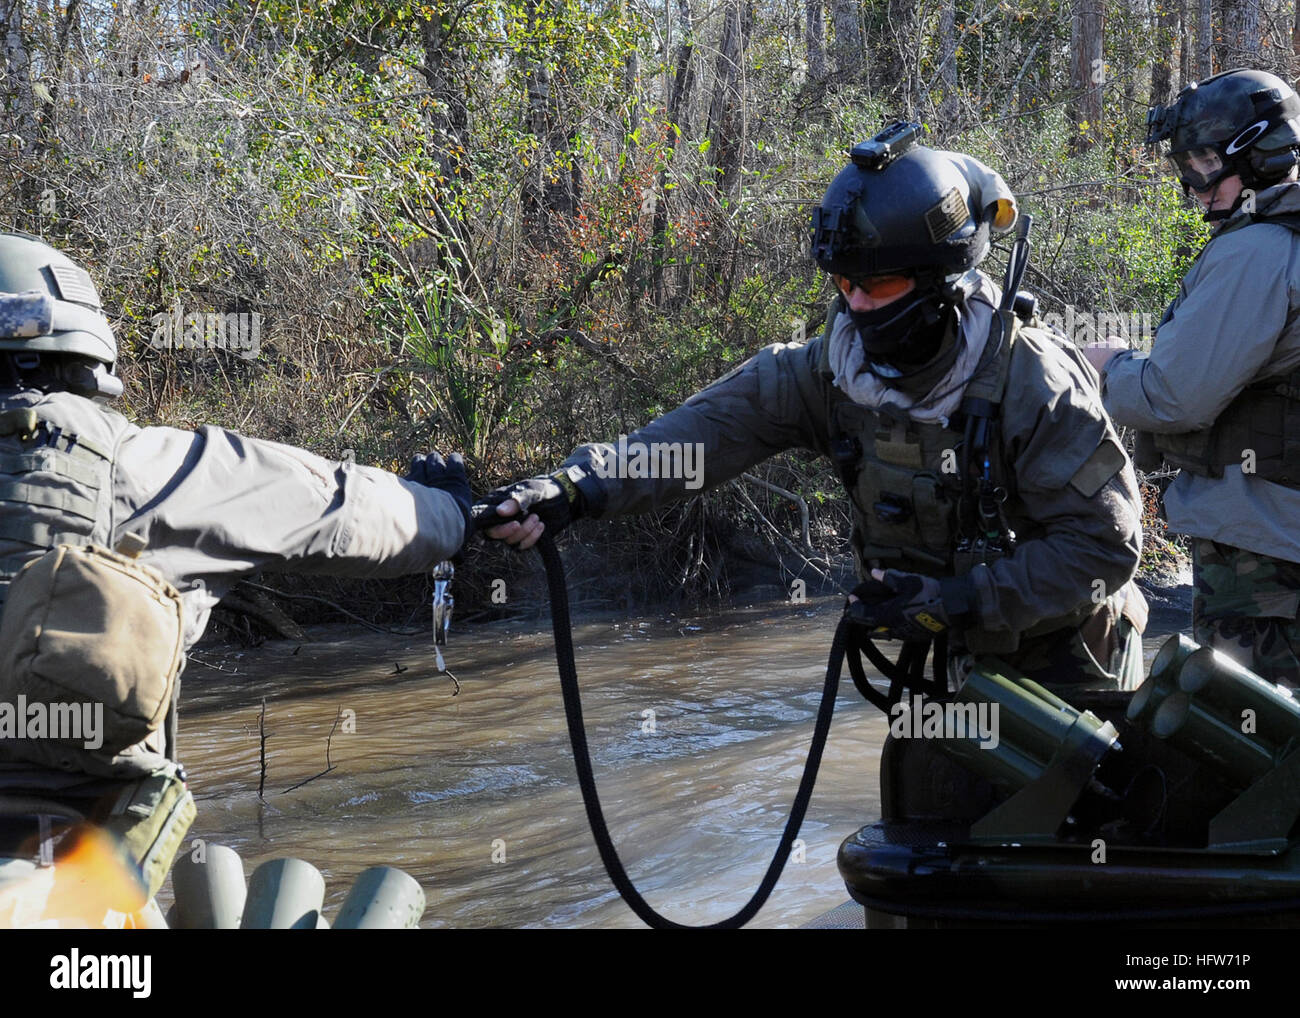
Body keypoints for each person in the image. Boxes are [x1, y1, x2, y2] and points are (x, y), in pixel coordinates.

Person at [483, 126, 1147, 697]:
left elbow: (1103, 546)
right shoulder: (827, 371)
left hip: (1071, 659)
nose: (856, 306)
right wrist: (574, 490)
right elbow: (698, 438)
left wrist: (956, 602)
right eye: (844, 283)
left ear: (940, 282)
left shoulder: (1034, 384)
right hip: (951, 655)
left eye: (879, 285)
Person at [0, 230, 471, 925]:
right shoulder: (142, 469)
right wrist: (451, 510)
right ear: (84, 355)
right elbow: (346, 510)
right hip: (68, 895)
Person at [1084, 68, 1300, 688]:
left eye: (1205, 163)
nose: (1194, 186)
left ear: (1259, 153)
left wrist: (1108, 370)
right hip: (1279, 541)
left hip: (1264, 553)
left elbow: (1172, 396)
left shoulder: (1255, 250)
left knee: (1245, 752)